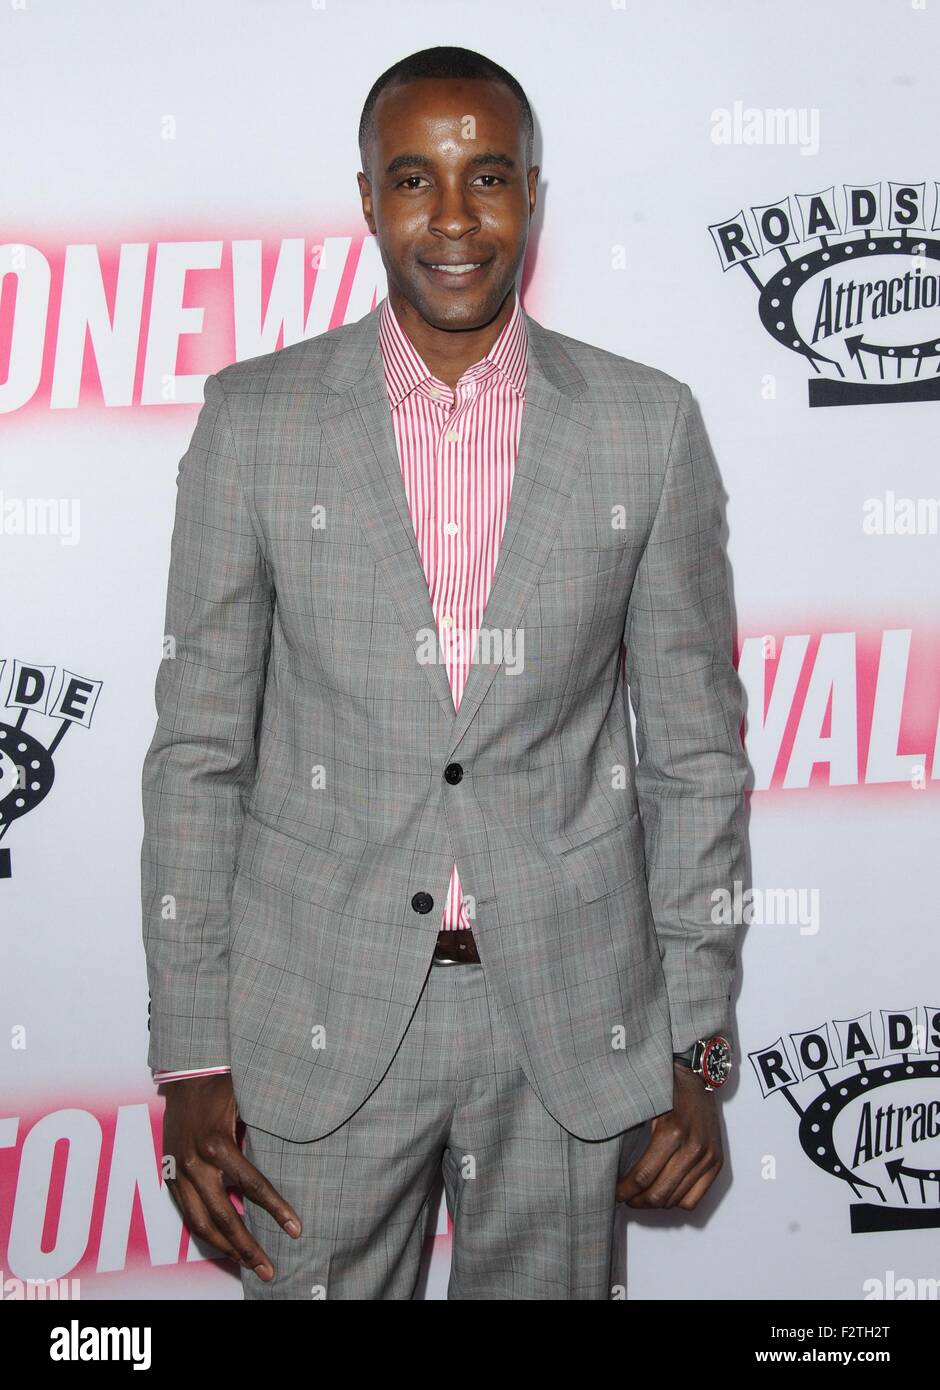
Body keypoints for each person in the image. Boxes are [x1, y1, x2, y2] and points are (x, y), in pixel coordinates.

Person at [140, 44, 750, 1301]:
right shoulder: (254, 419)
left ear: (535, 189)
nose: (456, 218)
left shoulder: (648, 424)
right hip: (319, 1010)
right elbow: (199, 751)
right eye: (415, 179)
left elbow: (694, 757)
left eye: (488, 177)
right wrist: (192, 1055)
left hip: (570, 1025)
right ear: (365, 196)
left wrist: (693, 1041)